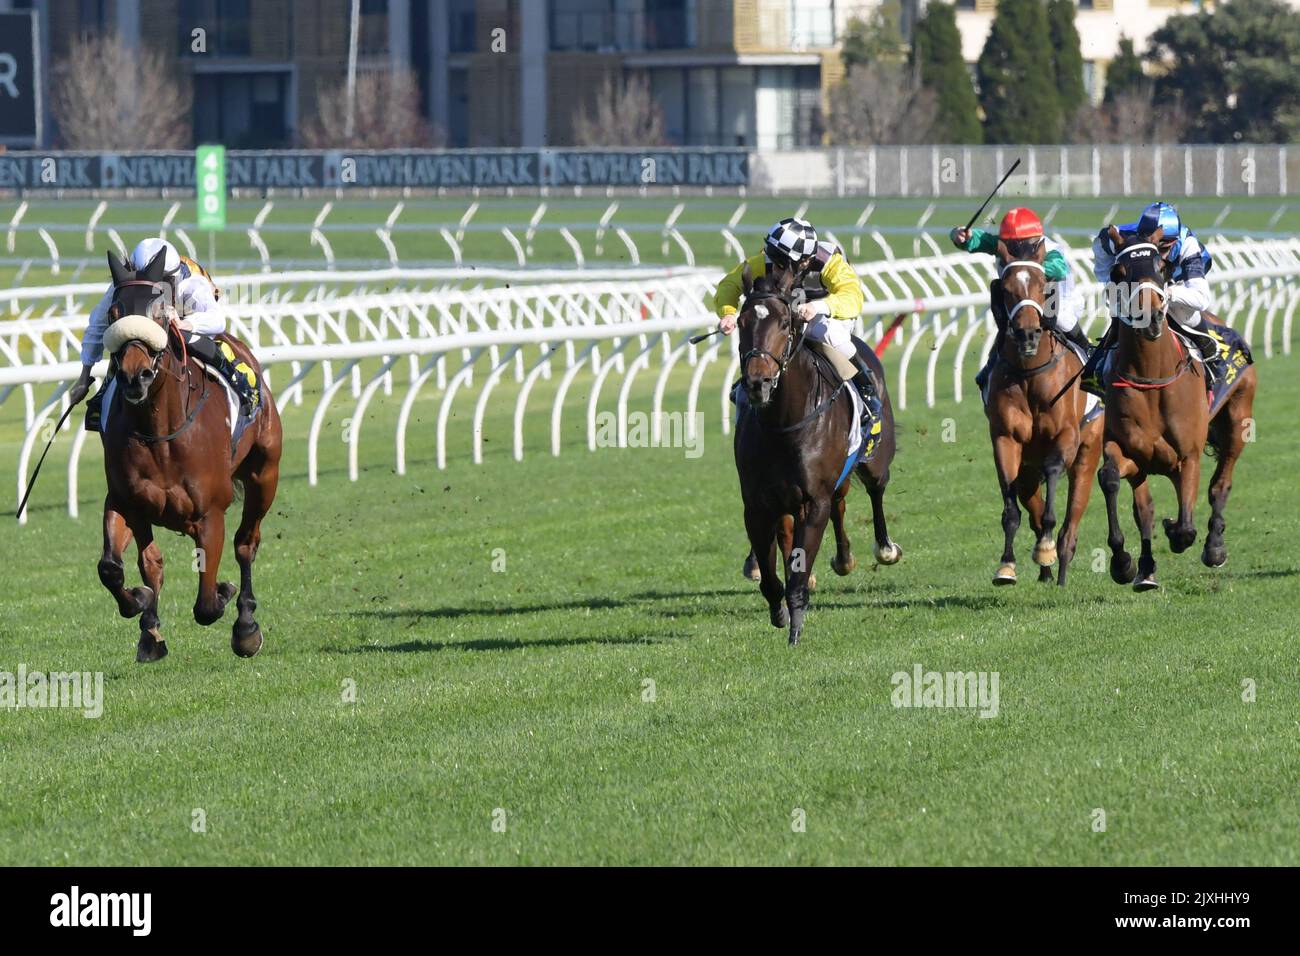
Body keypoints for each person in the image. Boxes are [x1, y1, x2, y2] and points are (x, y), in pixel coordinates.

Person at [67, 237, 259, 430]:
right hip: (150, 318)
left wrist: (187, 323)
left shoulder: (192, 284)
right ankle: (104, 393)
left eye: (162, 283)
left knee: (185, 337)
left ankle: (237, 379)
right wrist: (84, 376)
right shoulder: (125, 286)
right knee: (124, 338)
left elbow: (217, 321)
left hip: (187, 313)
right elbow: (97, 325)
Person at [714, 217, 881, 430]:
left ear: (804, 262)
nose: (773, 268)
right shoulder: (767, 259)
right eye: (772, 259)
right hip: (789, 314)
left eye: (781, 264)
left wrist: (819, 307)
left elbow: (852, 296)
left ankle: (866, 389)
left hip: (831, 313)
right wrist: (728, 313)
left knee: (827, 333)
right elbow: (730, 284)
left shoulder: (829, 262)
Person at [950, 207, 1091, 395]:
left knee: (1062, 319)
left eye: (1023, 243)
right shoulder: (1003, 245)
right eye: (1012, 244)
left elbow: (1058, 270)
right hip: (1021, 297)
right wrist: (960, 236)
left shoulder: (1051, 248)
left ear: (1035, 239)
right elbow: (978, 240)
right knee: (1008, 324)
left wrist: (1025, 269)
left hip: (1055, 295)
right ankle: (991, 365)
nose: (1017, 248)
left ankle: (1089, 358)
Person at [1093, 200, 1228, 380]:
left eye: (1162, 248)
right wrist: (1111, 282)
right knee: (1122, 311)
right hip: (1141, 278)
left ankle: (1209, 351)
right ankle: (1098, 362)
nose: (1156, 254)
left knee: (1184, 312)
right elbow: (1101, 245)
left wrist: (1168, 293)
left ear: (1174, 242)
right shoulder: (1122, 237)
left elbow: (1202, 299)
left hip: (1177, 276)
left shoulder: (1187, 244)